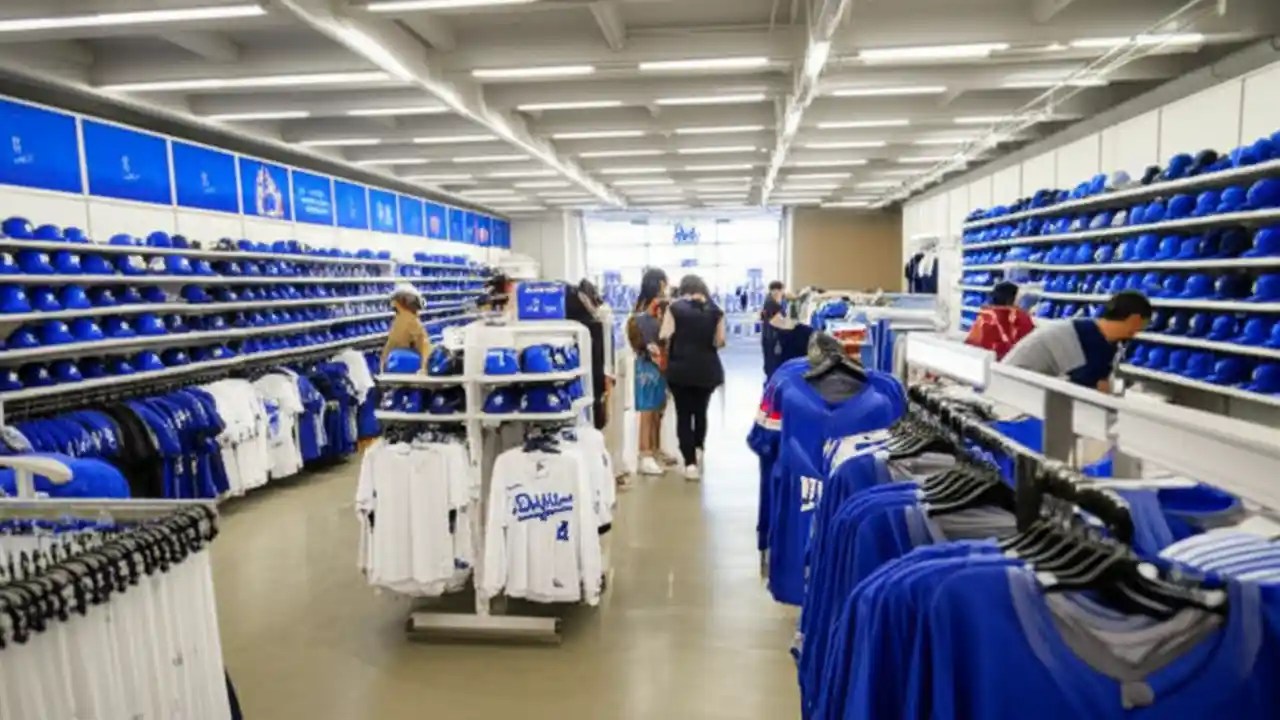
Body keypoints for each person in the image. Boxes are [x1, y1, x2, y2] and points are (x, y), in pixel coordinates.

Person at [1002, 290, 1152, 392]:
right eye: (1142, 325)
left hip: (1027, 388)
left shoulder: (1104, 339)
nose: (1138, 332)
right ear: (1134, 319)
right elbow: (1084, 387)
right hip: (1013, 392)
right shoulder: (1081, 336)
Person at [661, 274, 726, 480]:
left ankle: (689, 463)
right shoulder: (717, 311)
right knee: (701, 411)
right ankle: (698, 448)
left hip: (680, 369)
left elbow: (664, 335)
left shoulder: (674, 309)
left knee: (683, 414)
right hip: (707, 369)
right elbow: (720, 341)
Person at [626, 268, 669, 476]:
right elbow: (636, 336)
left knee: (658, 408)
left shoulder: (660, 306)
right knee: (647, 409)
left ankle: (655, 449)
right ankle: (644, 454)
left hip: (661, 363)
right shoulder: (643, 310)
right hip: (647, 363)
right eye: (664, 283)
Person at [964, 281, 1035, 360]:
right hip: (1008, 364)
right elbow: (1031, 343)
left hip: (978, 361)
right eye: (1018, 298)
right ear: (1011, 299)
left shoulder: (985, 315)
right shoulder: (1017, 317)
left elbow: (972, 343)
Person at [380, 284, 431, 372]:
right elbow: (424, 346)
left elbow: (424, 346)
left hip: (399, 368)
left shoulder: (408, 321)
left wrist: (424, 368)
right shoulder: (408, 320)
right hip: (396, 367)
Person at [760, 280, 793, 376]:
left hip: (768, 337)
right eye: (782, 291)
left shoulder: (769, 300)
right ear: (777, 291)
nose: (783, 294)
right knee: (772, 365)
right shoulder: (773, 304)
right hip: (772, 339)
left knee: (769, 363)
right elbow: (776, 322)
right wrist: (790, 326)